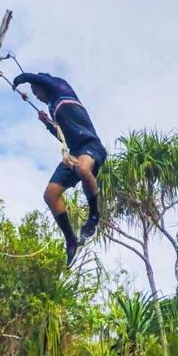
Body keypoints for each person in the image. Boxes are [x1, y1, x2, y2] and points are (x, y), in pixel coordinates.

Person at [12, 71, 107, 266]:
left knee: (82, 168)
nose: (36, 96)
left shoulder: (60, 87)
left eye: (36, 92)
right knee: (50, 194)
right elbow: (63, 136)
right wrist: (48, 124)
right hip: (73, 152)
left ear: (43, 85)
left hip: (91, 146)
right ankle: (71, 240)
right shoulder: (54, 108)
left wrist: (23, 78)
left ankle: (94, 216)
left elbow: (43, 80)